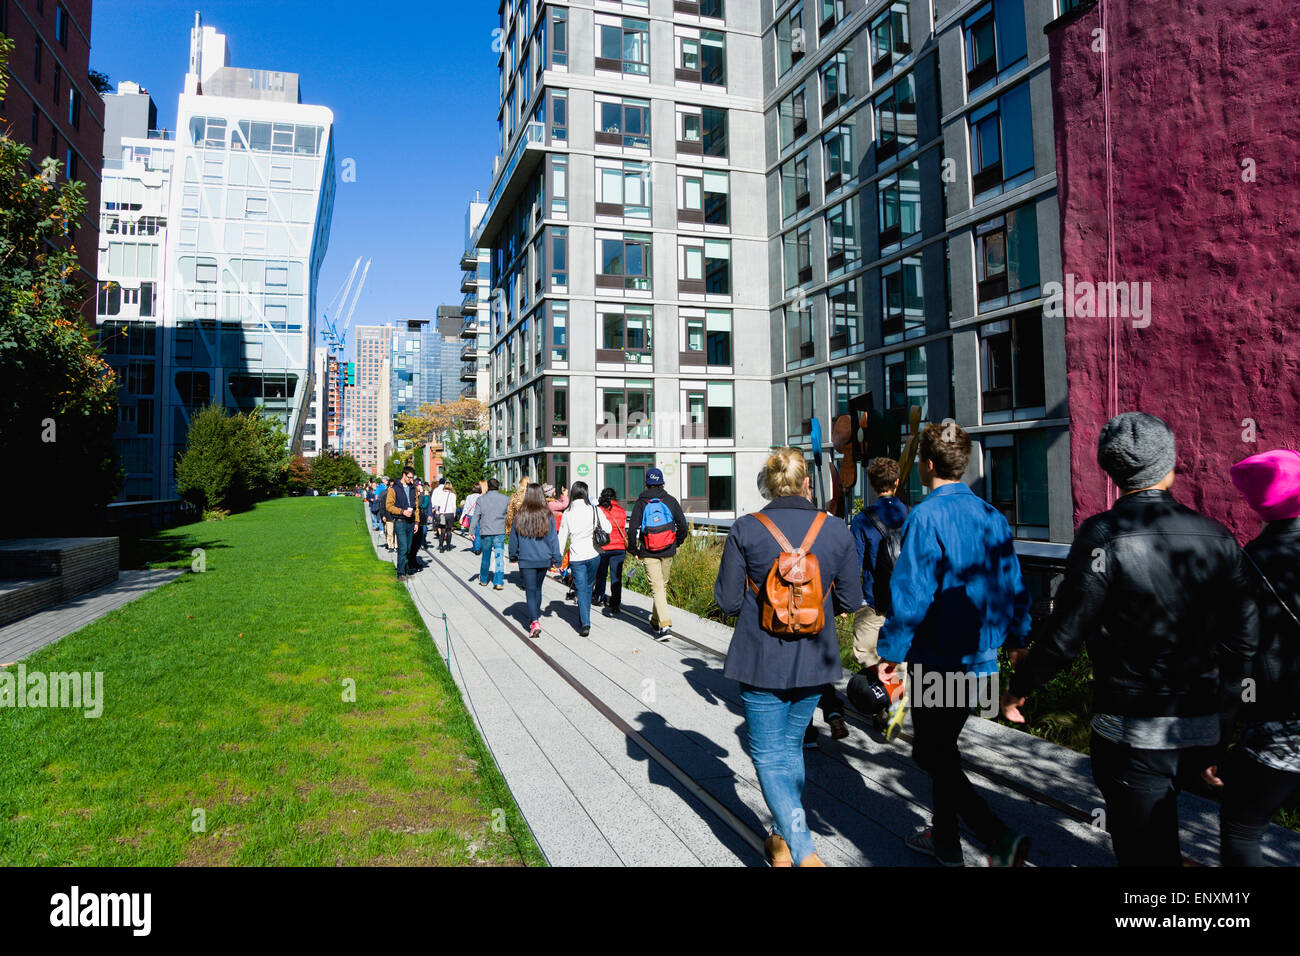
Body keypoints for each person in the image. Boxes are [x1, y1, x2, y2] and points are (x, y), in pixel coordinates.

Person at [1003, 412, 1257, 868]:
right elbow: (1244, 643)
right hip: (1201, 723)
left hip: (1132, 729)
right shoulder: (1219, 537)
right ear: (1170, 464)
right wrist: (1225, 721)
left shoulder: (1102, 535)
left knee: (1145, 853)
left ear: (1113, 472)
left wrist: (1018, 688)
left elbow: (1065, 636)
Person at [878, 422, 1033, 868]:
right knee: (944, 749)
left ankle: (997, 836)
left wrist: (890, 654)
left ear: (926, 465)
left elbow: (912, 595)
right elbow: (1014, 584)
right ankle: (945, 841)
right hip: (981, 662)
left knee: (931, 751)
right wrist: (1020, 639)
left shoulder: (925, 517)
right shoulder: (992, 516)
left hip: (939, 661)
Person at [715, 447, 864, 867]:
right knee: (791, 746)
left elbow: (726, 601)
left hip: (759, 659)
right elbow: (852, 599)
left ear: (769, 482)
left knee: (766, 755)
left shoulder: (746, 528)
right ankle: (781, 841)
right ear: (806, 483)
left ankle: (804, 852)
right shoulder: (836, 530)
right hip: (814, 658)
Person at [1210, 449, 1300, 865]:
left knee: (1243, 829)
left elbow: (1237, 663)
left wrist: (1217, 742)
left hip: (1277, 731)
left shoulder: (1247, 567)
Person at [849, 456, 910, 739]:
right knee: (900, 658)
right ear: (897, 482)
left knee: (865, 652)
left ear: (872, 485)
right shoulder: (912, 515)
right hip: (906, 603)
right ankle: (896, 703)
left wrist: (846, 600)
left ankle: (887, 699)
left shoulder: (862, 520)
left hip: (873, 600)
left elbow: (854, 564)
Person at [627, 468, 690, 640]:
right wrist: (677, 542)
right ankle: (658, 622)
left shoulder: (641, 503)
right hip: (668, 549)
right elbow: (683, 525)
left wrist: (634, 550)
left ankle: (664, 625)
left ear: (646, 483)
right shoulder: (670, 501)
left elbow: (632, 529)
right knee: (661, 586)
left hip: (648, 551)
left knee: (657, 587)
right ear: (662, 482)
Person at [557, 482, 612, 637]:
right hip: (594, 554)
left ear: (573, 493)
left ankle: (585, 622)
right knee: (588, 587)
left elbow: (562, 537)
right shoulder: (595, 509)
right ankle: (584, 618)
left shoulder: (568, 513)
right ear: (586, 493)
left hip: (576, 556)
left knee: (581, 589)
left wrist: (557, 558)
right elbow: (608, 529)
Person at [509, 484, 562, 639]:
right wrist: (556, 558)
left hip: (526, 559)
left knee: (530, 591)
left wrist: (513, 555)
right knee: (538, 588)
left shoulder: (520, 515)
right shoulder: (547, 514)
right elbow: (553, 539)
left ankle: (534, 621)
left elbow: (514, 538)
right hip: (544, 558)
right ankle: (535, 616)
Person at [592, 488, 628, 615]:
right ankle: (615, 604)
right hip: (619, 549)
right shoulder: (622, 511)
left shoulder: (599, 510)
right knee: (616, 576)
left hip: (604, 548)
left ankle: (599, 597)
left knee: (601, 574)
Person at [472, 478, 510, 590]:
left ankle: (483, 580)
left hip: (486, 532)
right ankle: (498, 581)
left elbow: (476, 516)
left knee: (486, 557)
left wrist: (472, 531)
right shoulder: (505, 499)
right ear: (498, 487)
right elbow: (509, 516)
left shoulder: (481, 499)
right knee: (499, 557)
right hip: (499, 531)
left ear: (487, 487)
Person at [385, 466, 420, 582]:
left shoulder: (412, 488)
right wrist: (402, 511)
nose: (411, 480)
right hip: (400, 521)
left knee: (409, 548)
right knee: (403, 547)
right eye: (409, 477)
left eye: (412, 477)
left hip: (411, 522)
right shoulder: (393, 488)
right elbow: (388, 506)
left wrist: (416, 522)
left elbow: (416, 506)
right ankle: (400, 573)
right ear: (403, 475)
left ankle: (406, 569)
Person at [431, 479, 457, 552]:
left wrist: (437, 511)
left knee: (442, 530)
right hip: (450, 514)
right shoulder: (453, 495)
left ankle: (441, 546)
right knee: (449, 530)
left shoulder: (440, 494)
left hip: (442, 514)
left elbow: (436, 504)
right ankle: (448, 546)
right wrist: (454, 513)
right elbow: (454, 506)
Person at [463, 481, 485, 553]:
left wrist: (462, 517)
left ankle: (476, 547)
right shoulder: (482, 496)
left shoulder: (469, 497)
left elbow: (466, 508)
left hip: (471, 516)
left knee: (473, 532)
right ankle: (478, 548)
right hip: (480, 516)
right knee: (479, 532)